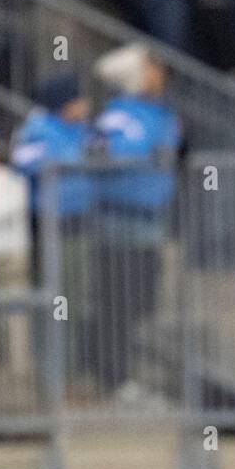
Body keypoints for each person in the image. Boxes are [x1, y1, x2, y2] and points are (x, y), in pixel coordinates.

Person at [91, 43, 182, 390]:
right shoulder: (120, 117)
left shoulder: (157, 114)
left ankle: (124, 375)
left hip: (150, 226)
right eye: (151, 68)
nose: (159, 76)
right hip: (121, 228)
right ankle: (114, 379)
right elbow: (108, 155)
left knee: (141, 304)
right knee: (118, 306)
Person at [10, 73, 93, 281]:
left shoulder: (82, 128)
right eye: (78, 99)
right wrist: (68, 159)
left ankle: (73, 314)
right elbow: (21, 160)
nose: (85, 104)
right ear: (65, 103)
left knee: (76, 280)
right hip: (49, 218)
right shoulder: (39, 128)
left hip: (78, 215)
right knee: (52, 281)